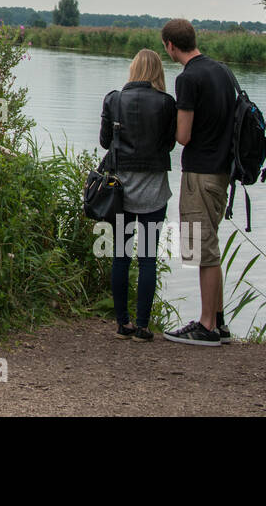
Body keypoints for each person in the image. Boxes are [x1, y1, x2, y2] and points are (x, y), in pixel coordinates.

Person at [160, 18, 236, 346]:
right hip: (222, 172)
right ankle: (218, 321)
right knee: (210, 242)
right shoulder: (223, 71)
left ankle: (206, 326)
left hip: (199, 173)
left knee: (202, 248)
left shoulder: (188, 79)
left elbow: (184, 136)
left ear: (170, 46)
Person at [100, 49, 176, 342]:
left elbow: (105, 141)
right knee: (147, 259)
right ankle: (143, 327)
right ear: (158, 72)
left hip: (120, 190)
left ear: (133, 69)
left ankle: (122, 324)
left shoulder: (114, 99)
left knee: (120, 256)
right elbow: (169, 145)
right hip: (153, 191)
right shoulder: (168, 104)